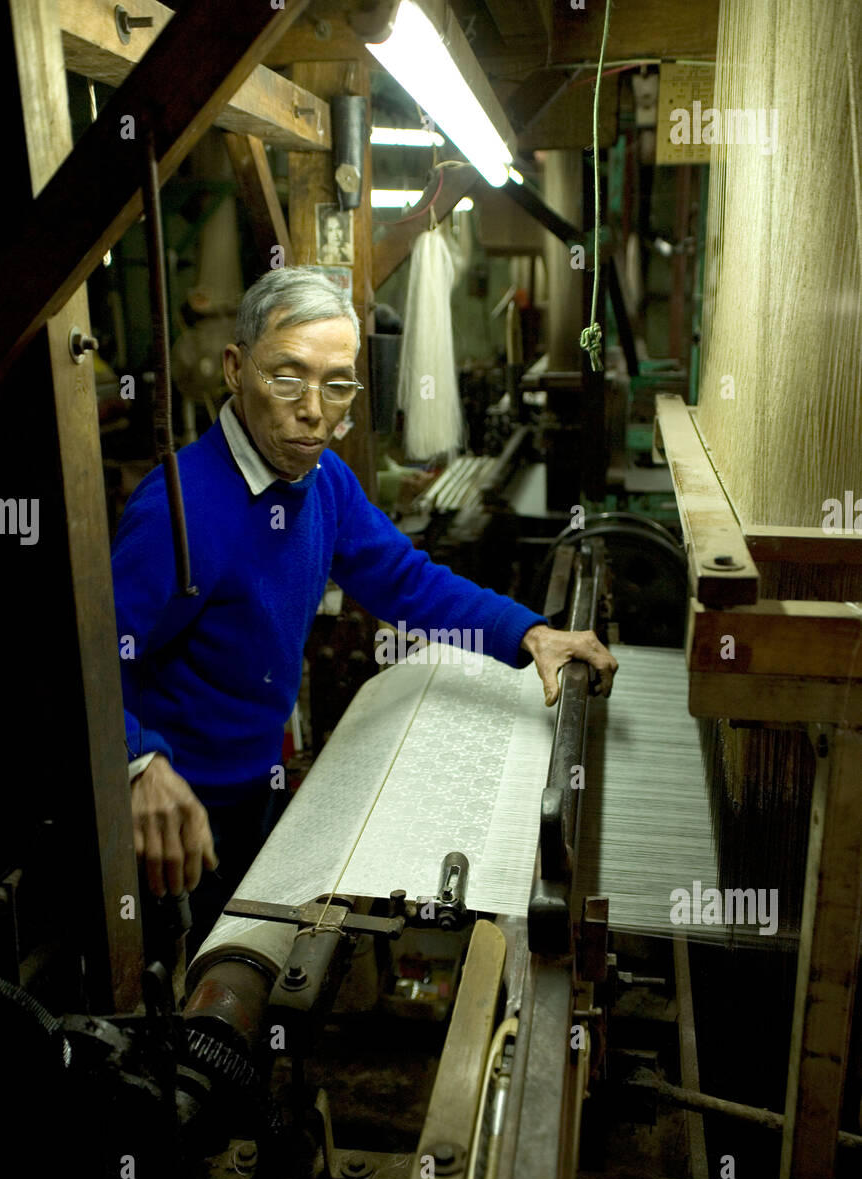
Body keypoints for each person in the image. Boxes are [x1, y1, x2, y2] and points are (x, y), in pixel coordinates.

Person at [114, 268, 618, 950]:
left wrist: (528, 633)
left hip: (254, 790)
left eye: (337, 383)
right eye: (288, 377)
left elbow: (406, 581)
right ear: (236, 369)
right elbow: (87, 665)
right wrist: (140, 763)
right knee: (187, 992)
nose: (315, 409)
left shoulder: (321, 483)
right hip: (171, 815)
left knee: (243, 958)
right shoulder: (177, 510)